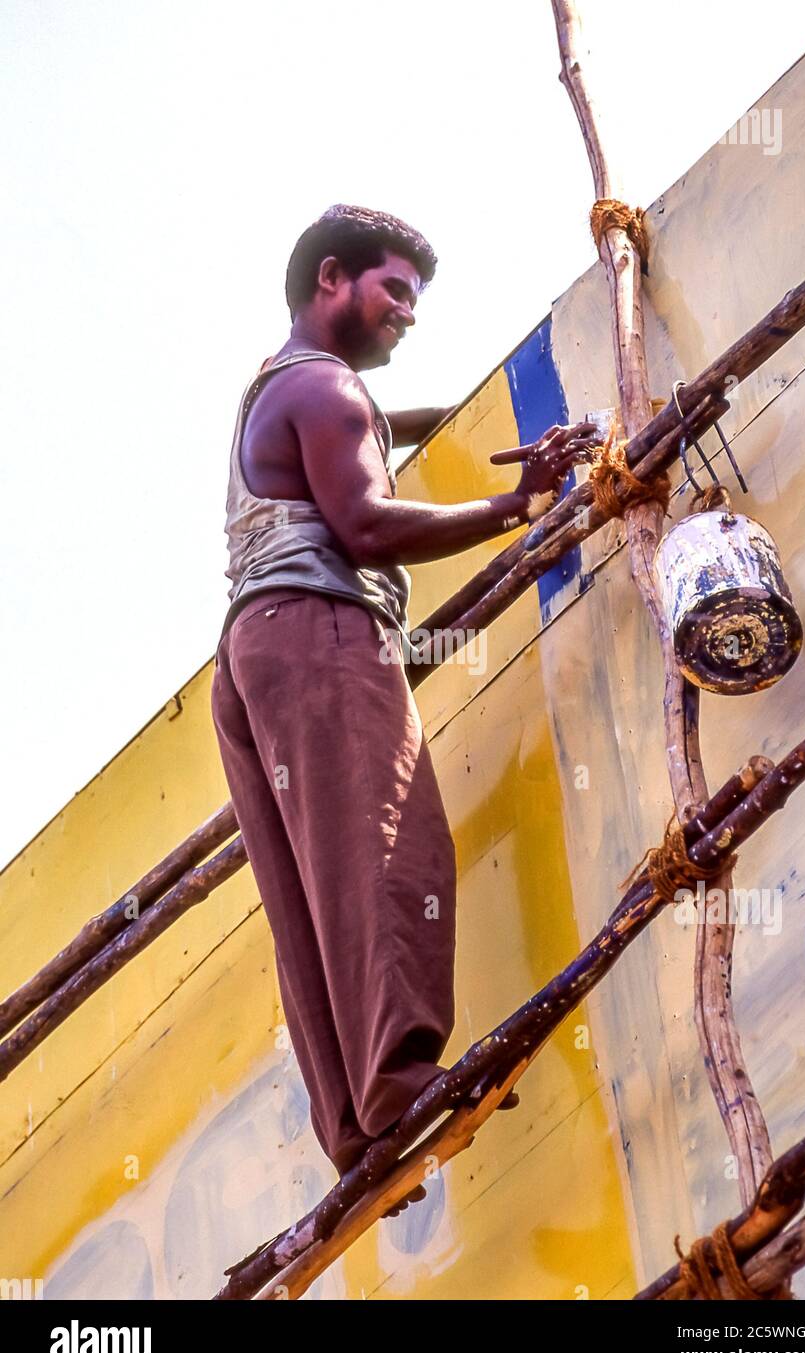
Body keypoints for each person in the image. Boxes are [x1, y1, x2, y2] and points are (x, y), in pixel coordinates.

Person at [210, 204, 597, 1215]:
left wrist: (421, 423)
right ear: (330, 277)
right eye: (394, 292)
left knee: (312, 891)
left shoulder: (278, 385)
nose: (407, 317)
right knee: (391, 846)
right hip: (321, 634)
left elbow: (357, 439)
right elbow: (368, 521)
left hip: (253, 649)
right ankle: (398, 1080)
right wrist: (518, 509)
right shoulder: (327, 390)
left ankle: (355, 1118)